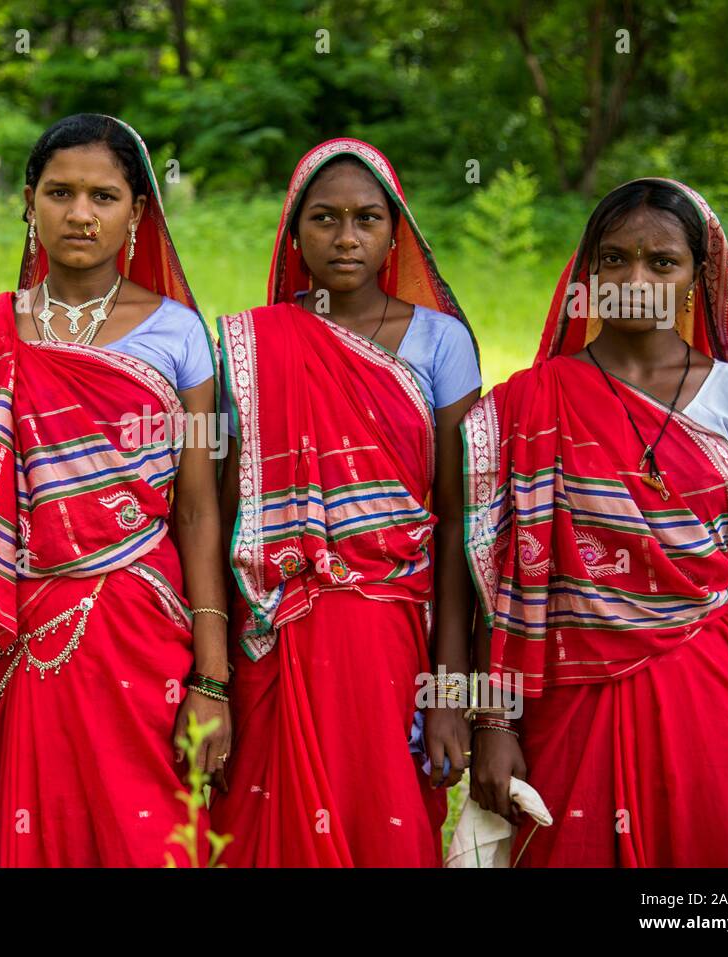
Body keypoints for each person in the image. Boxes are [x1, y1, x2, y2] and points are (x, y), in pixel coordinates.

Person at [465, 178, 728, 866]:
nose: (636, 278)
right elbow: (498, 578)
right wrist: (493, 719)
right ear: (588, 274)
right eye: (615, 259)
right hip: (567, 695)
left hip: (702, 684)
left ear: (697, 277)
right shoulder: (534, 403)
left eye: (662, 262)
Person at [0, 114, 226, 866]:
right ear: (29, 201)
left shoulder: (180, 335)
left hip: (145, 636)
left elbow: (196, 509)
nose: (81, 214)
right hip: (19, 641)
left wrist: (213, 681)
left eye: (104, 195)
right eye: (60, 192)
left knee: (148, 838)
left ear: (137, 212)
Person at [210, 138, 482, 866]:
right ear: (294, 234)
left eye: (367, 217)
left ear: (397, 232)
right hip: (271, 634)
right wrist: (210, 674)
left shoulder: (441, 344)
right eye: (325, 218)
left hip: (391, 633)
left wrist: (449, 688)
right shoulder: (252, 347)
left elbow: (462, 523)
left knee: (383, 820)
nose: (346, 236)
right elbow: (220, 508)